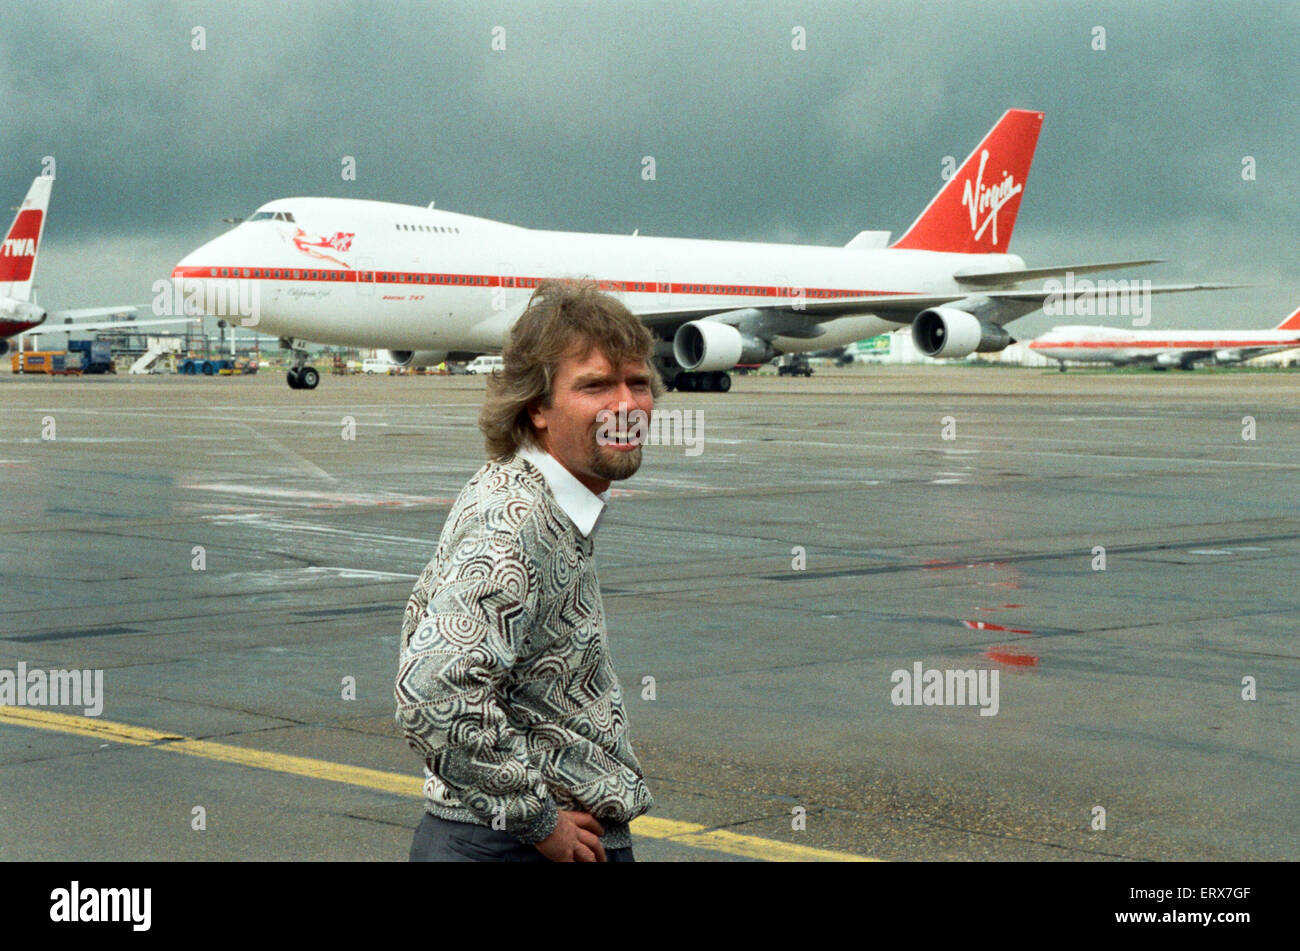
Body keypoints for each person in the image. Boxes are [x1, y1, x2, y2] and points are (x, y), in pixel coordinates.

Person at [396, 279, 661, 861]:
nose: (626, 405)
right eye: (595, 386)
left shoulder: (550, 498)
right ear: (536, 407)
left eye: (637, 382)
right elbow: (432, 689)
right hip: (507, 847)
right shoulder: (513, 522)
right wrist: (539, 823)